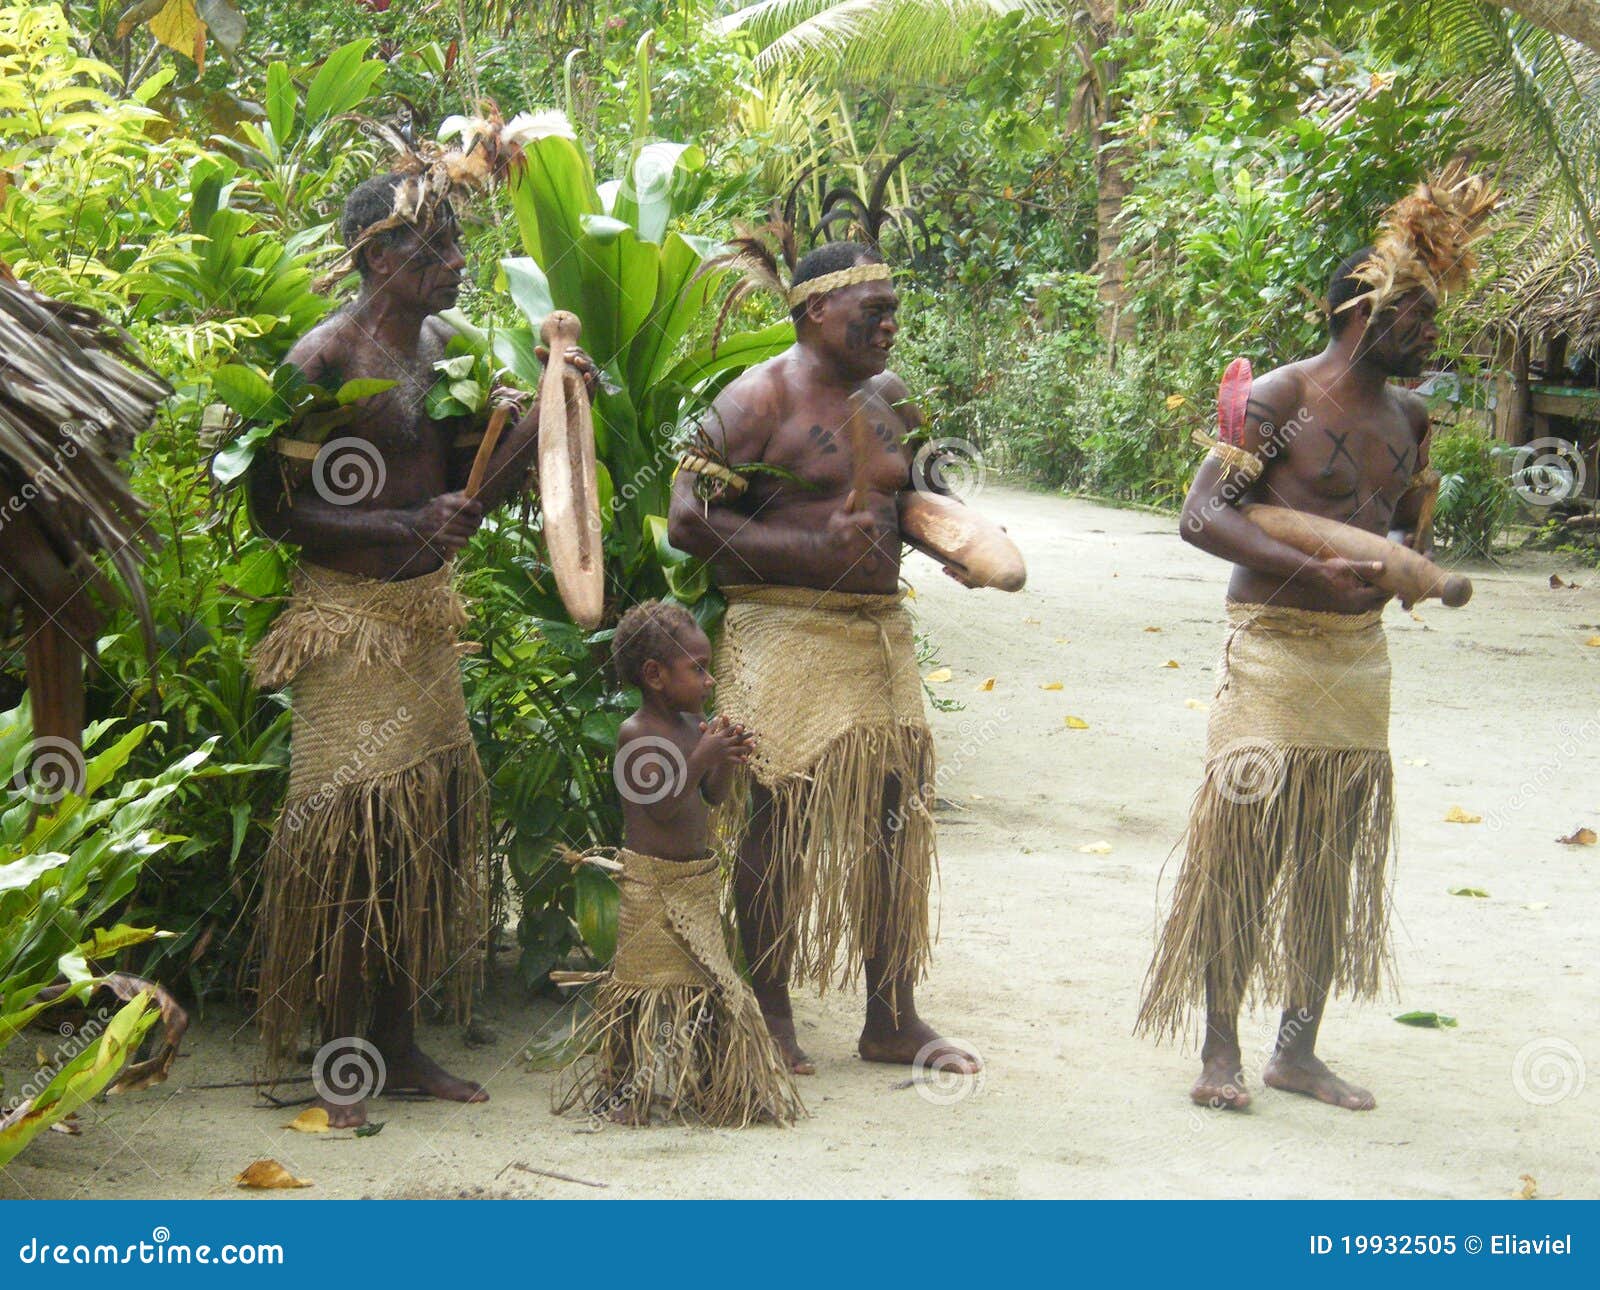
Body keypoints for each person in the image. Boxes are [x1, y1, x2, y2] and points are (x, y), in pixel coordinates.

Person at [1136, 168, 1496, 1112]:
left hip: (1357, 663)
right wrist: (1310, 570)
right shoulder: (1283, 397)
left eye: (1430, 316)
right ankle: (1220, 1052)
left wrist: (1410, 565)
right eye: (1413, 315)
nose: (1429, 332)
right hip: (1272, 647)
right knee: (1244, 850)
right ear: (1356, 311)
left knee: (1331, 861)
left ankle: (1296, 1051)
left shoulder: (1412, 418)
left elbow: (1406, 528)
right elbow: (1203, 515)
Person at [246, 169, 591, 1127]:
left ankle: (396, 1050)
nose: (455, 263)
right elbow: (276, 509)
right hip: (349, 630)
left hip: (426, 630)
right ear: (376, 256)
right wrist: (403, 528)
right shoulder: (324, 358)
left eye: (455, 244)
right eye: (432, 248)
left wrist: (553, 411)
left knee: (414, 839)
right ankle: (339, 1062)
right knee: (348, 845)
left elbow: (473, 496)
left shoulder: (446, 347)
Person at [667, 239, 982, 1077]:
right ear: (814, 312)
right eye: (869, 310)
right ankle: (769, 1012)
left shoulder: (890, 396)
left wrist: (954, 535)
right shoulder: (755, 398)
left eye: (893, 308)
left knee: (894, 820)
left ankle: (891, 1017)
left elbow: (916, 481)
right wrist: (807, 545)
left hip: (878, 636)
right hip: (785, 633)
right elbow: (688, 520)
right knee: (780, 822)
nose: (889, 324)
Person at [556, 600, 802, 1126]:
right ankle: (620, 1090)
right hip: (651, 887)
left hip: (693, 885)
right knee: (636, 993)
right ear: (655, 675)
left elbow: (709, 794)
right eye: (698, 668)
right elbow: (663, 804)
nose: (709, 680)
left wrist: (728, 758)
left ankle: (717, 1085)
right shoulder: (636, 734)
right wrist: (702, 756)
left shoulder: (693, 723)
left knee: (711, 990)